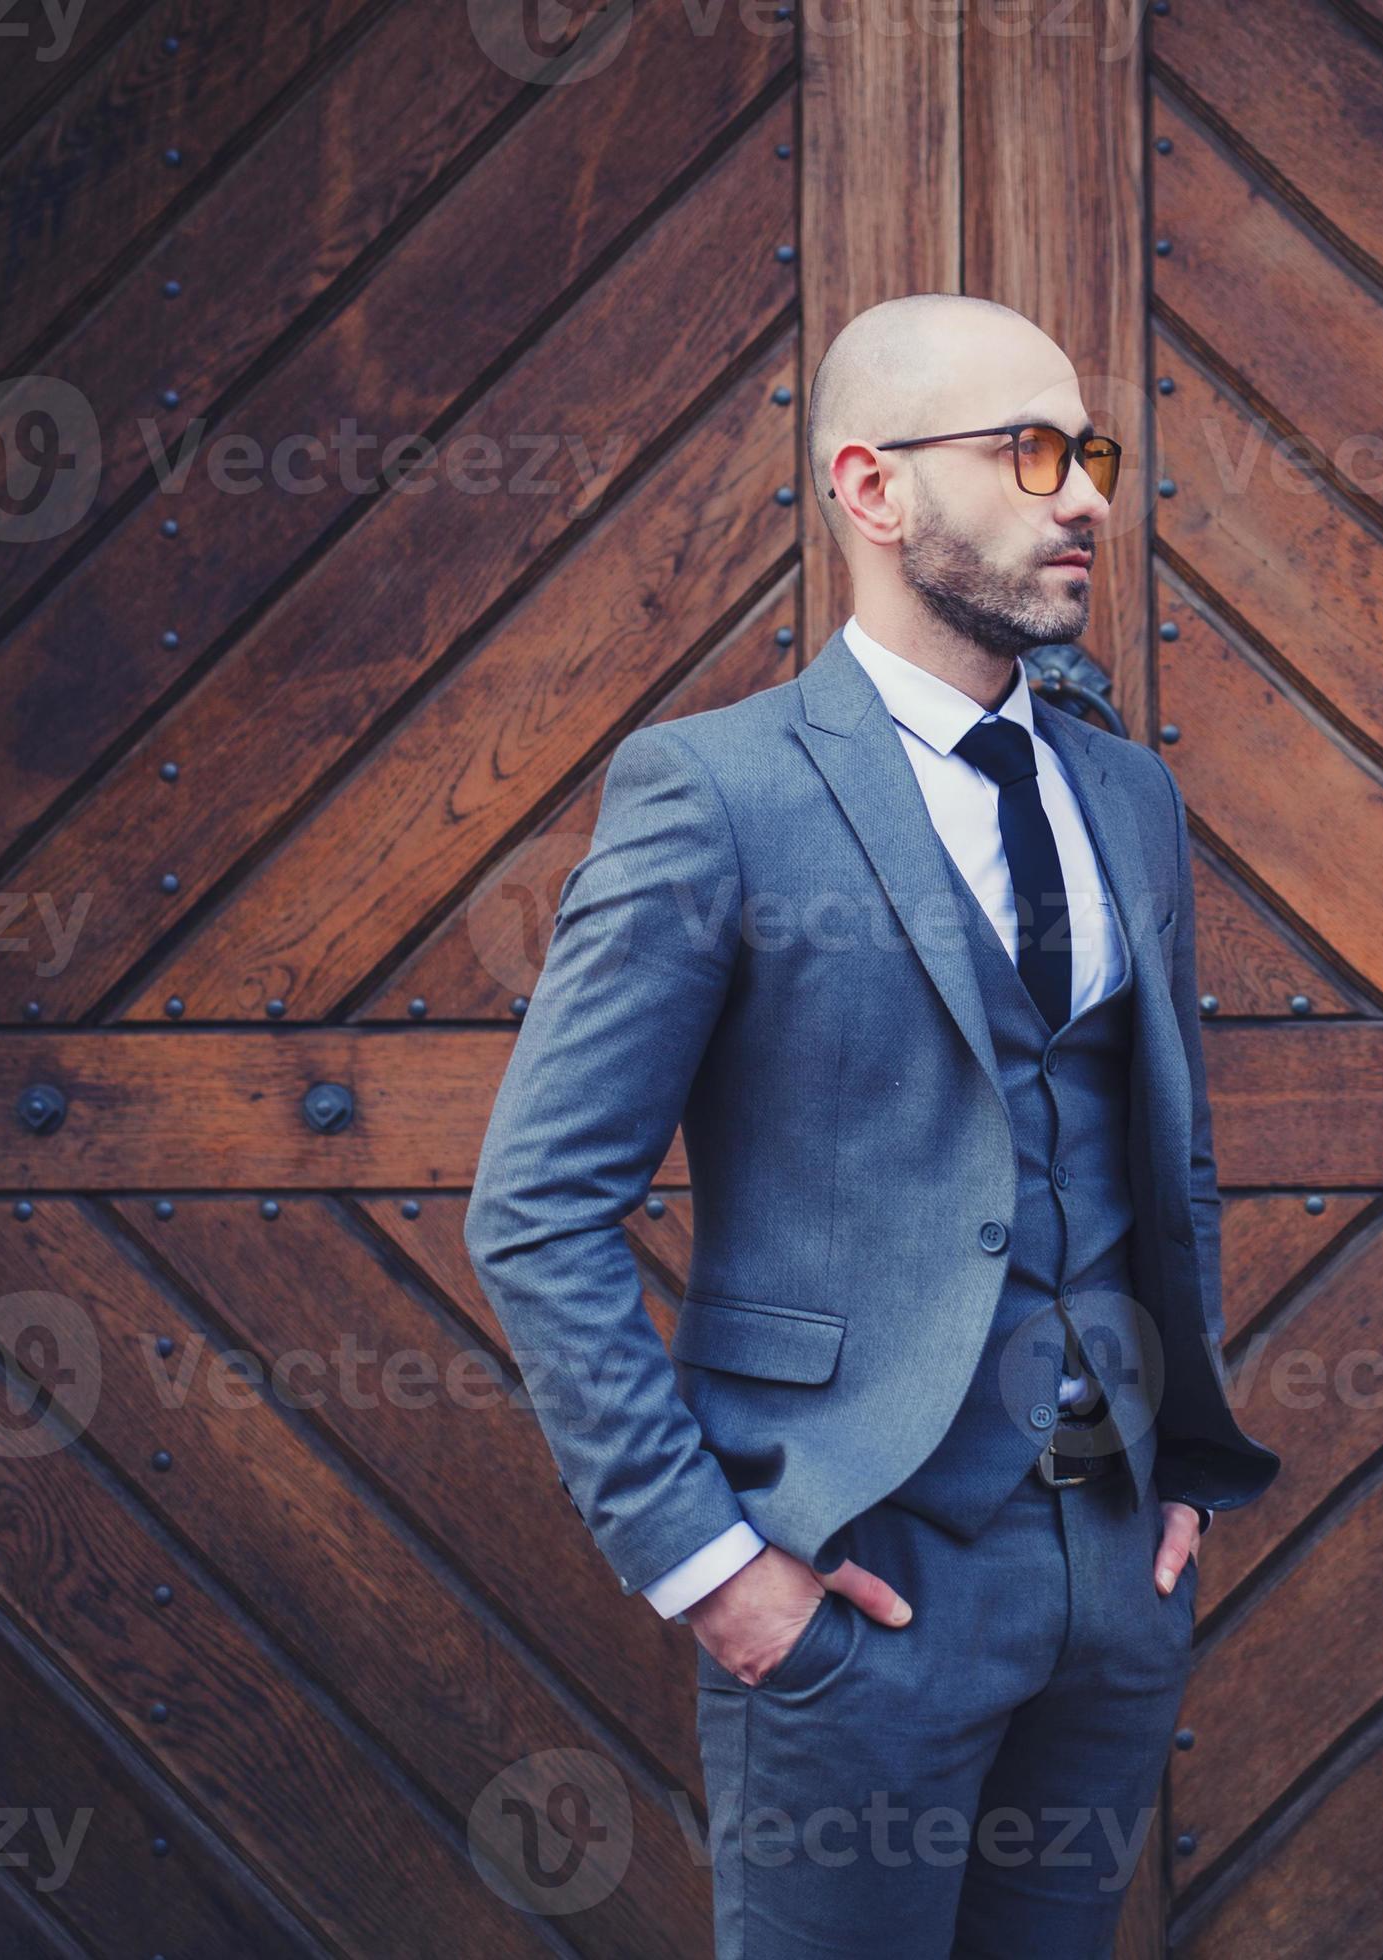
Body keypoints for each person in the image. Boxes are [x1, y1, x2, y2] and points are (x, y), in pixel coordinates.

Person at [464, 291, 1279, 1956]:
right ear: (870, 488)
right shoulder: (718, 792)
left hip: (1110, 1572)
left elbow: (1158, 1146)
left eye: (1093, 452)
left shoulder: (1126, 789)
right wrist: (712, 1568)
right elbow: (538, 1209)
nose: (1086, 498)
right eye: (1027, 452)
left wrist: (1177, 1454)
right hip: (853, 1577)